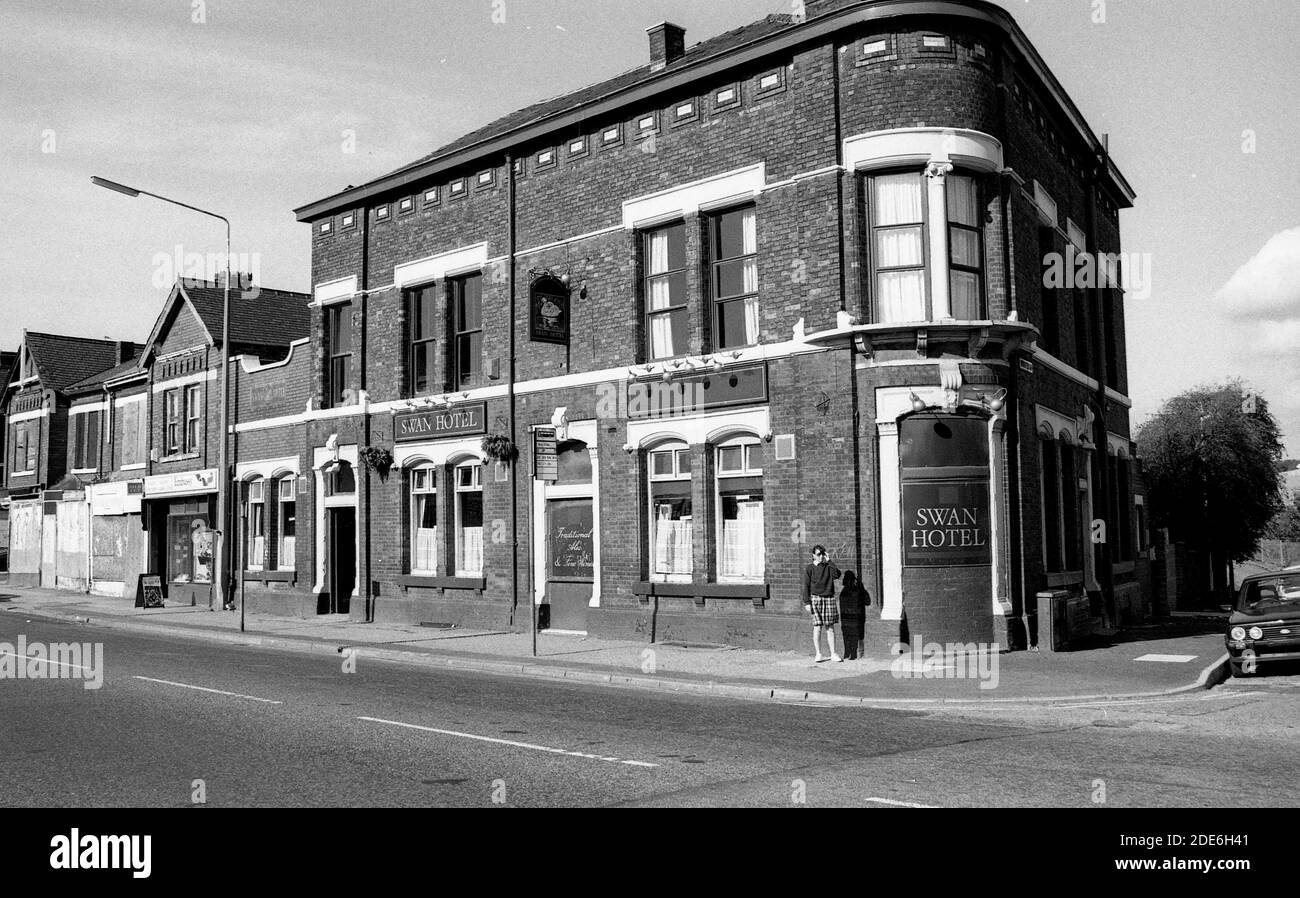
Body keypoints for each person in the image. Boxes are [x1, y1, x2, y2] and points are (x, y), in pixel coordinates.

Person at [803, 545, 842, 662]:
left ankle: (833, 653)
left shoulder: (828, 567)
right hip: (816, 599)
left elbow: (837, 575)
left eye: (822, 554)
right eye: (818, 554)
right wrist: (807, 602)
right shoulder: (809, 568)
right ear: (813, 555)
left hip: (829, 598)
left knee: (830, 627)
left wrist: (829, 560)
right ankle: (818, 654)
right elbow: (806, 586)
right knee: (817, 627)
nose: (821, 556)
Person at [838, 571, 870, 660]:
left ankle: (847, 652)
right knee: (854, 634)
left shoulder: (843, 591)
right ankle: (853, 653)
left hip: (845, 618)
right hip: (855, 618)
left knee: (846, 634)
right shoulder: (857, 590)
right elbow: (867, 602)